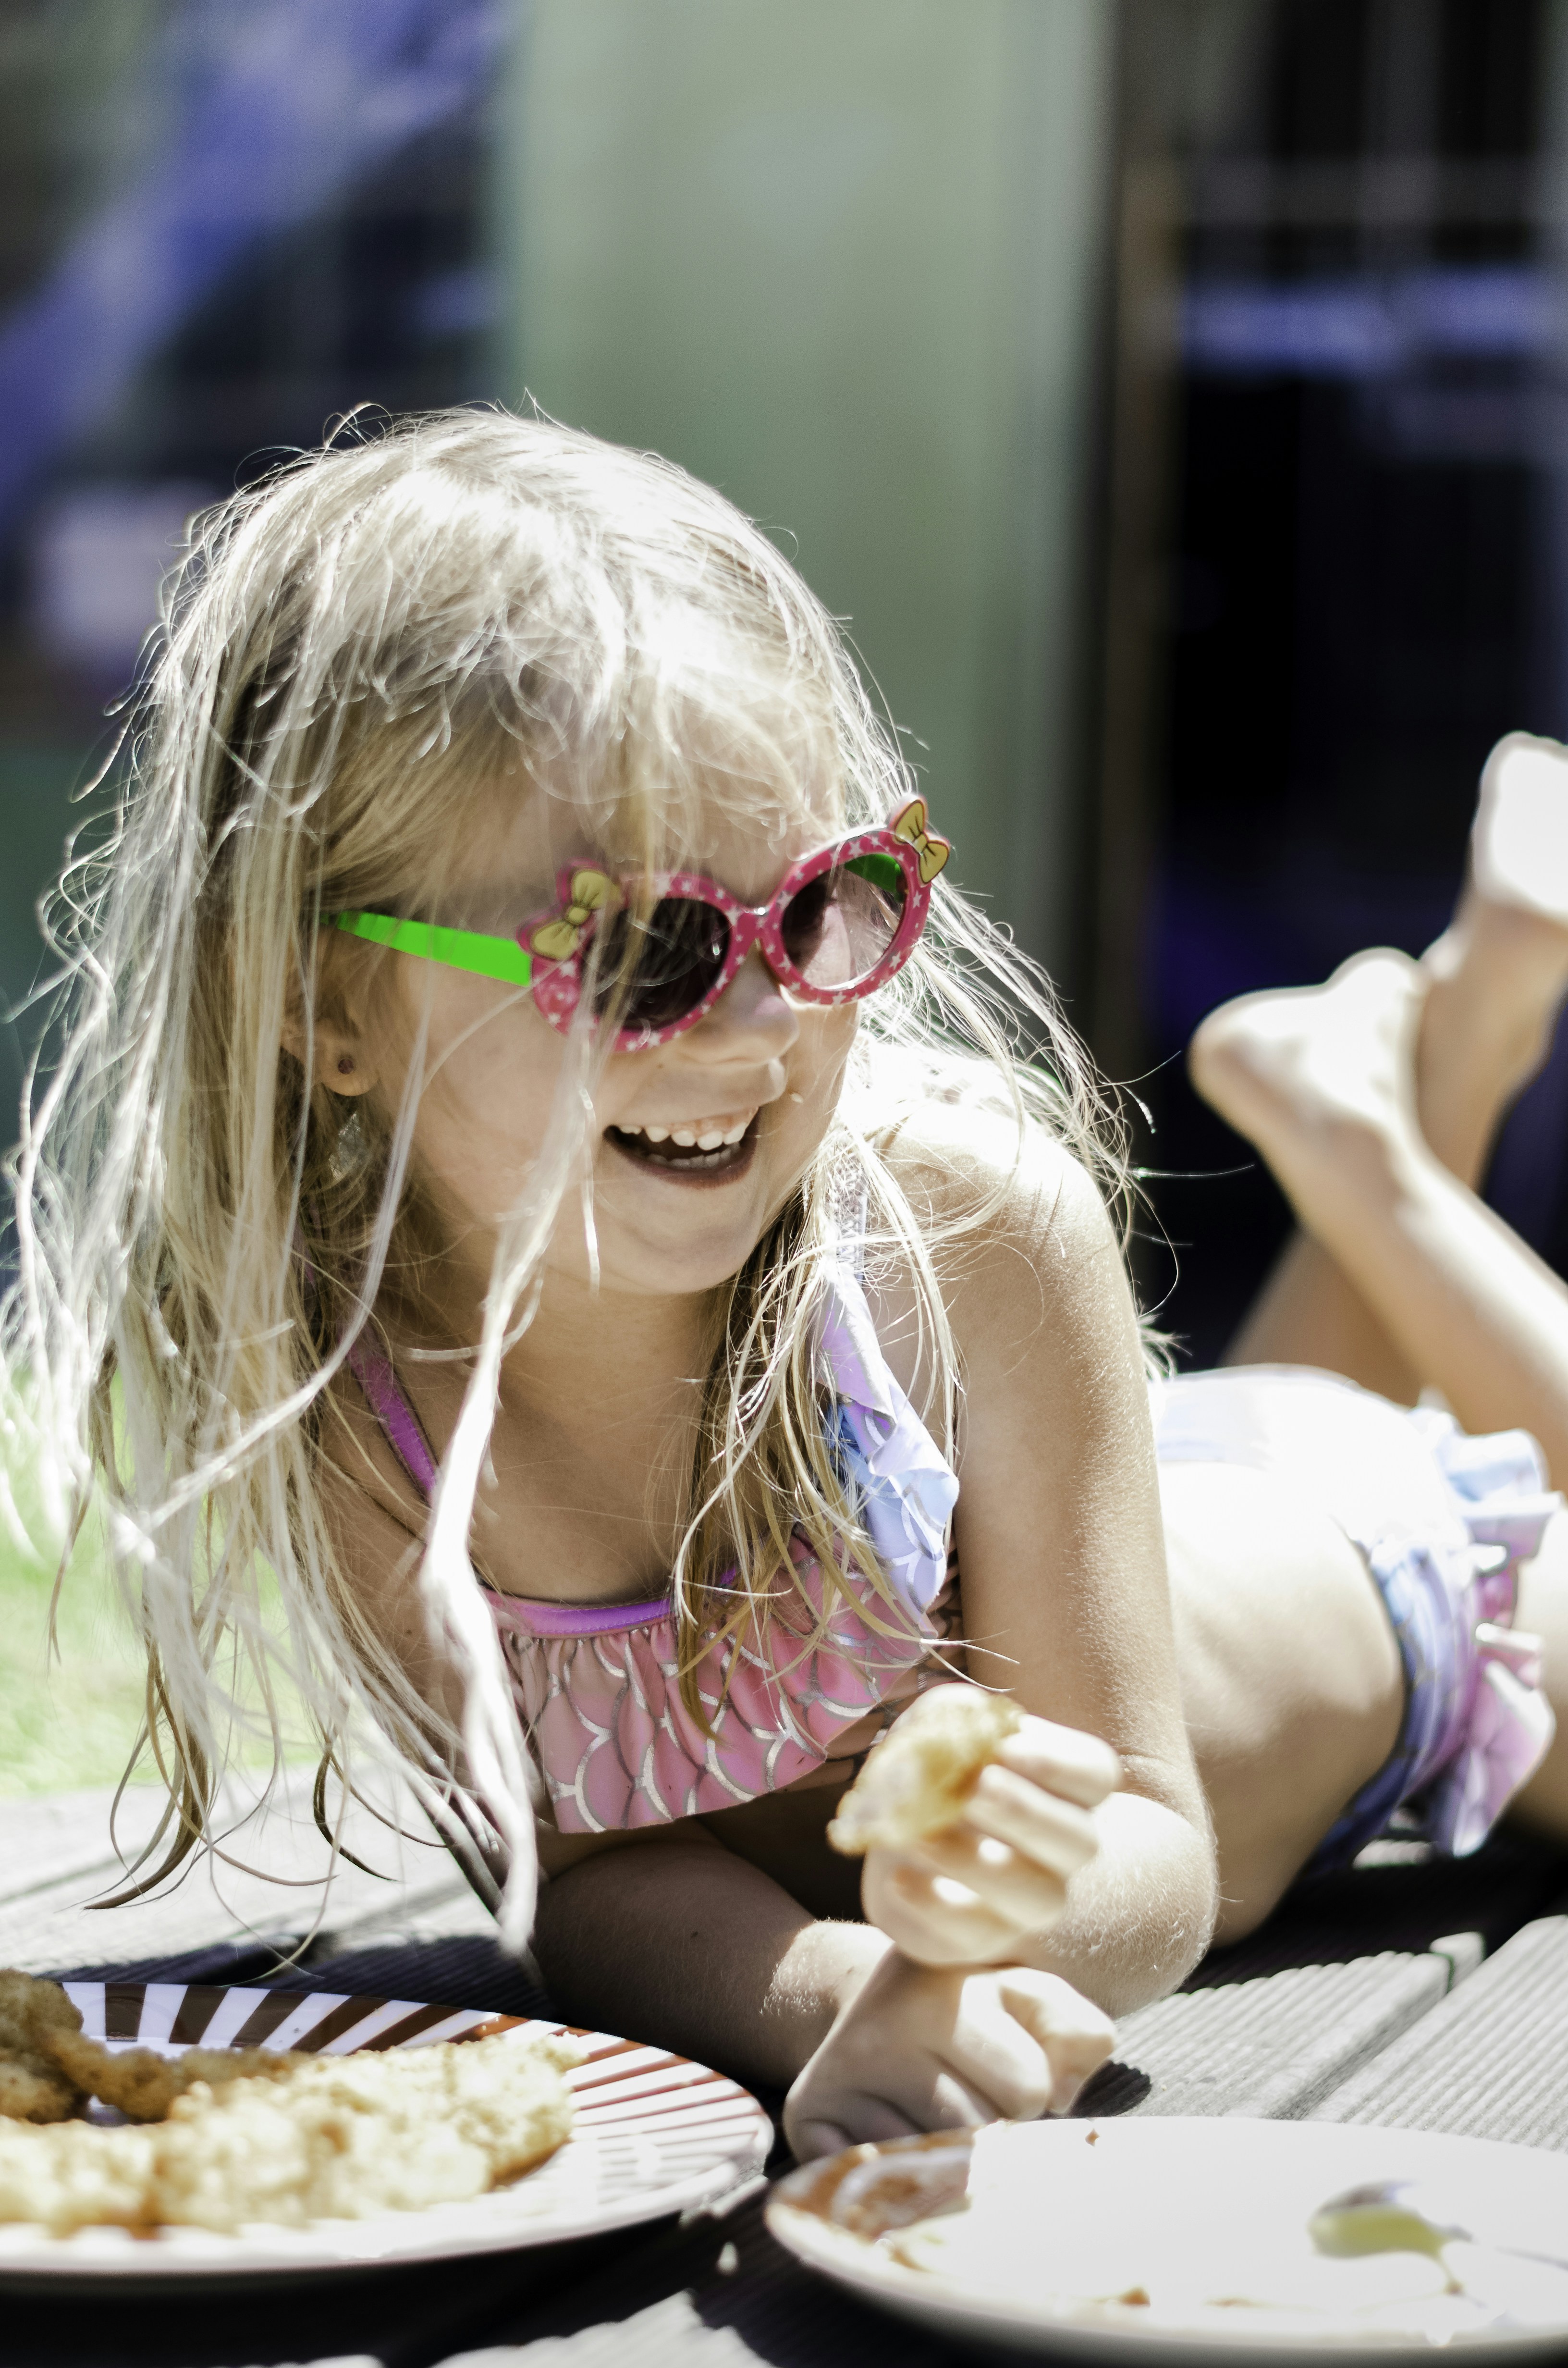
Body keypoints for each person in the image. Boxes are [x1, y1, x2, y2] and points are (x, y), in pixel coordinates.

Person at [8, 413, 1565, 2168]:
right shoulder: (347, 1404)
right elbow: (593, 1876)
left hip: (1384, 1588)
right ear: (326, 1004)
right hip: (1175, 1494)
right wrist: (839, 1991)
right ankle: (1415, 1085)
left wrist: (967, 1940)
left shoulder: (968, 1225)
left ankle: (1380, 1161)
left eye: (824, 908)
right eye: (647, 947)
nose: (760, 1028)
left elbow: (1159, 1842)